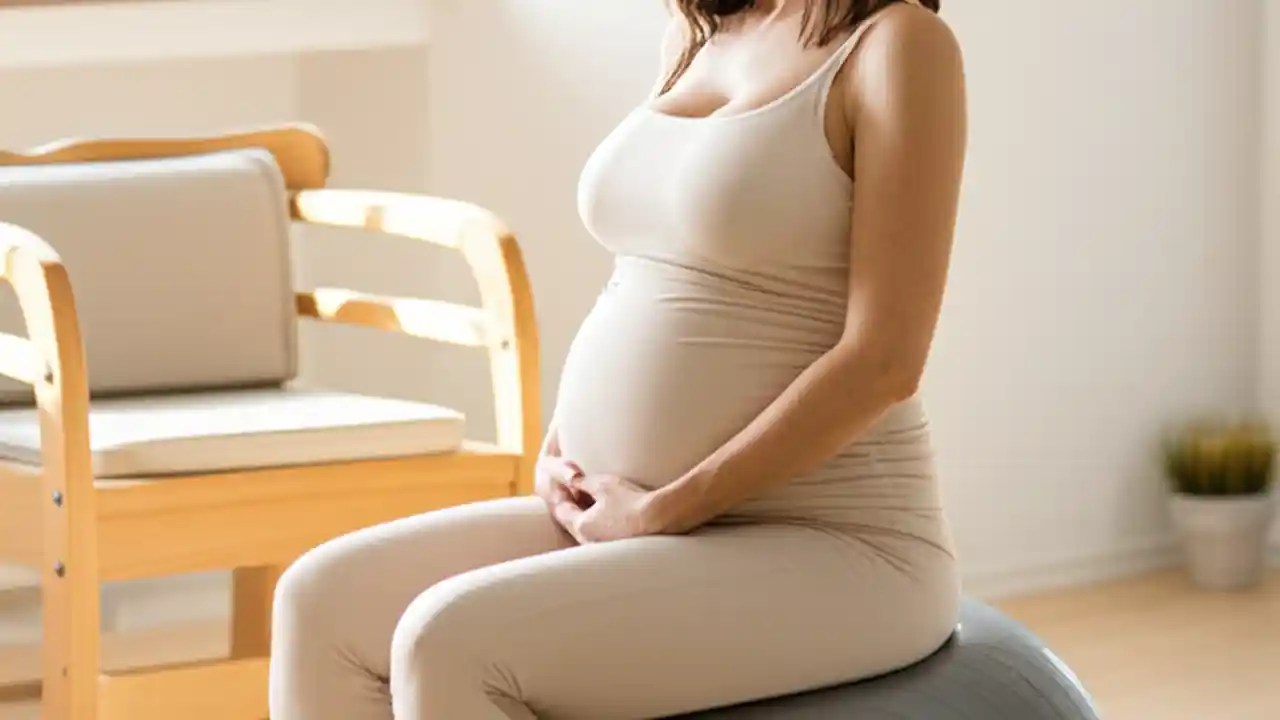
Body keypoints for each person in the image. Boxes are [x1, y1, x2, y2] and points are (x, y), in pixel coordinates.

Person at [269, 0, 967, 717]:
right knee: (319, 601)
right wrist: (562, 450)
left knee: (448, 641)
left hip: (834, 541)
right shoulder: (699, 33)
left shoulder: (897, 43)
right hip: (633, 514)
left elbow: (885, 360)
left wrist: (669, 507)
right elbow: (653, 267)